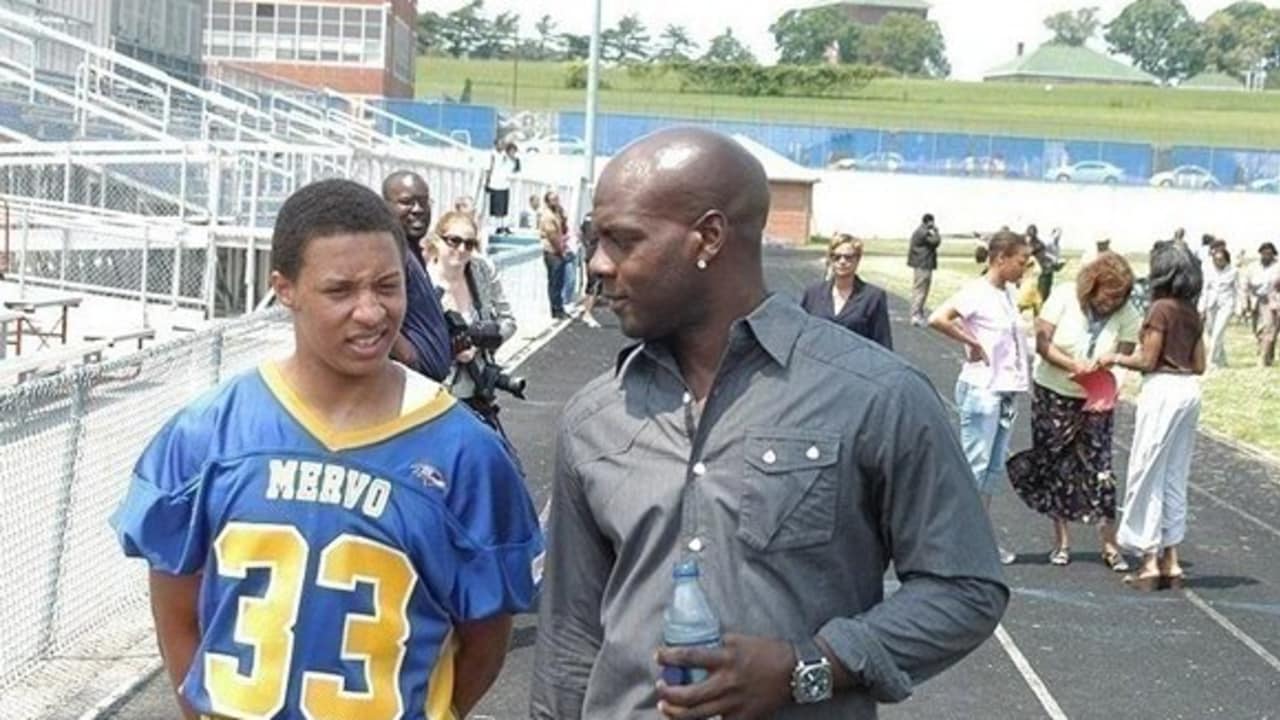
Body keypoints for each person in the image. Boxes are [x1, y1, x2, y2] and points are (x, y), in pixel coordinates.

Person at [531, 128, 1007, 720]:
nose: (599, 264)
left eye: (623, 241)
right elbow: (571, 638)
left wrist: (808, 667)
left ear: (707, 237)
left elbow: (964, 588)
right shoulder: (595, 417)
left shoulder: (875, 395)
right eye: (595, 240)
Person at [111, 178, 543, 720]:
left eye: (388, 286)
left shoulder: (467, 455)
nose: (371, 312)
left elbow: (484, 643)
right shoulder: (208, 433)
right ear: (285, 288)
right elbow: (177, 609)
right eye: (340, 291)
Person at [1006, 252, 1141, 571]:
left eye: (1119, 297)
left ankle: (1110, 544)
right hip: (1054, 391)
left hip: (1097, 397)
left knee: (1101, 466)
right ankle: (1061, 542)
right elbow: (1042, 343)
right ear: (1092, 287)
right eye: (1108, 296)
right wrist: (1072, 365)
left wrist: (1110, 370)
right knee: (1055, 463)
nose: (1112, 302)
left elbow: (1126, 353)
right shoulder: (1065, 296)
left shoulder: (1127, 311)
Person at [1101, 240, 1204, 591]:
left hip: (1162, 390)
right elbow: (1201, 363)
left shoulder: (1159, 309)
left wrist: (1114, 358)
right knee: (1175, 473)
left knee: (1147, 471)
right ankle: (1171, 559)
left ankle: (1147, 561)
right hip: (1189, 390)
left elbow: (1147, 359)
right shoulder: (1192, 311)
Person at [928, 230, 1033, 566]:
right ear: (1000, 258)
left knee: (990, 471)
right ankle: (955, 543)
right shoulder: (977, 292)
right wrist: (970, 343)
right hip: (982, 389)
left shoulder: (1009, 293)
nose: (1025, 268)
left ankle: (978, 540)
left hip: (1004, 390)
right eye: (1020, 261)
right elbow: (937, 318)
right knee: (973, 468)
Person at [425, 210, 518, 427]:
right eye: (454, 241)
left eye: (469, 244)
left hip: (478, 390)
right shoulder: (423, 282)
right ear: (437, 240)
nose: (461, 250)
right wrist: (450, 351)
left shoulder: (482, 271)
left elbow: (509, 321)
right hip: (435, 395)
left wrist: (480, 342)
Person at [381, 171, 453, 381]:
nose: (418, 210)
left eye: (424, 202)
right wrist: (409, 357)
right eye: (406, 202)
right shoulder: (391, 253)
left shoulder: (410, 251)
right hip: (408, 385)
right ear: (385, 206)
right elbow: (375, 314)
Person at [800, 234, 892, 349]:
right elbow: (801, 336)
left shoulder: (873, 297)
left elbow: (883, 344)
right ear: (830, 259)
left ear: (858, 259)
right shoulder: (813, 293)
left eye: (848, 257)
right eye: (837, 257)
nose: (842, 261)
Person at [1199, 245, 1237, 368]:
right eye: (1216, 259)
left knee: (1217, 333)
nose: (1218, 262)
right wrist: (1202, 307)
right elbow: (1204, 289)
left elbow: (1238, 289)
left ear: (1226, 259)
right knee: (1211, 333)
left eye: (1221, 259)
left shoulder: (1233, 271)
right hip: (1211, 304)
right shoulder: (1208, 270)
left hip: (1226, 304)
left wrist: (1239, 307)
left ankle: (1211, 361)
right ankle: (1222, 360)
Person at [538, 190, 569, 320]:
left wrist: (564, 218)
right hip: (552, 252)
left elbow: (564, 229)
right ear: (547, 202)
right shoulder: (547, 216)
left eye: (557, 199)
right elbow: (552, 236)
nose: (555, 202)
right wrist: (561, 251)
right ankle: (556, 309)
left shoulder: (557, 214)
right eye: (552, 199)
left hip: (558, 250)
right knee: (555, 282)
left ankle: (559, 307)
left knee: (560, 281)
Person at [907, 213, 941, 326]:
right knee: (921, 291)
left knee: (919, 290)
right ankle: (916, 315)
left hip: (921, 264)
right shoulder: (924, 232)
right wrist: (936, 232)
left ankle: (917, 314)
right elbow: (936, 242)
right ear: (929, 221)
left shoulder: (919, 231)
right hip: (923, 264)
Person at [485, 140, 521, 234]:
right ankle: (498, 226)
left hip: (505, 185)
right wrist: (487, 182)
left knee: (504, 207)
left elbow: (515, 171)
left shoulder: (511, 159)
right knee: (497, 207)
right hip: (495, 184)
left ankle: (504, 226)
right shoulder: (494, 155)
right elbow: (490, 168)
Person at [577, 210, 603, 328]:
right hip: (595, 255)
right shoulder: (603, 217)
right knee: (594, 284)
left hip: (589, 253)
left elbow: (580, 233)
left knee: (590, 283)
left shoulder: (588, 215)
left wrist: (585, 245)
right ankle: (587, 313)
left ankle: (586, 308)